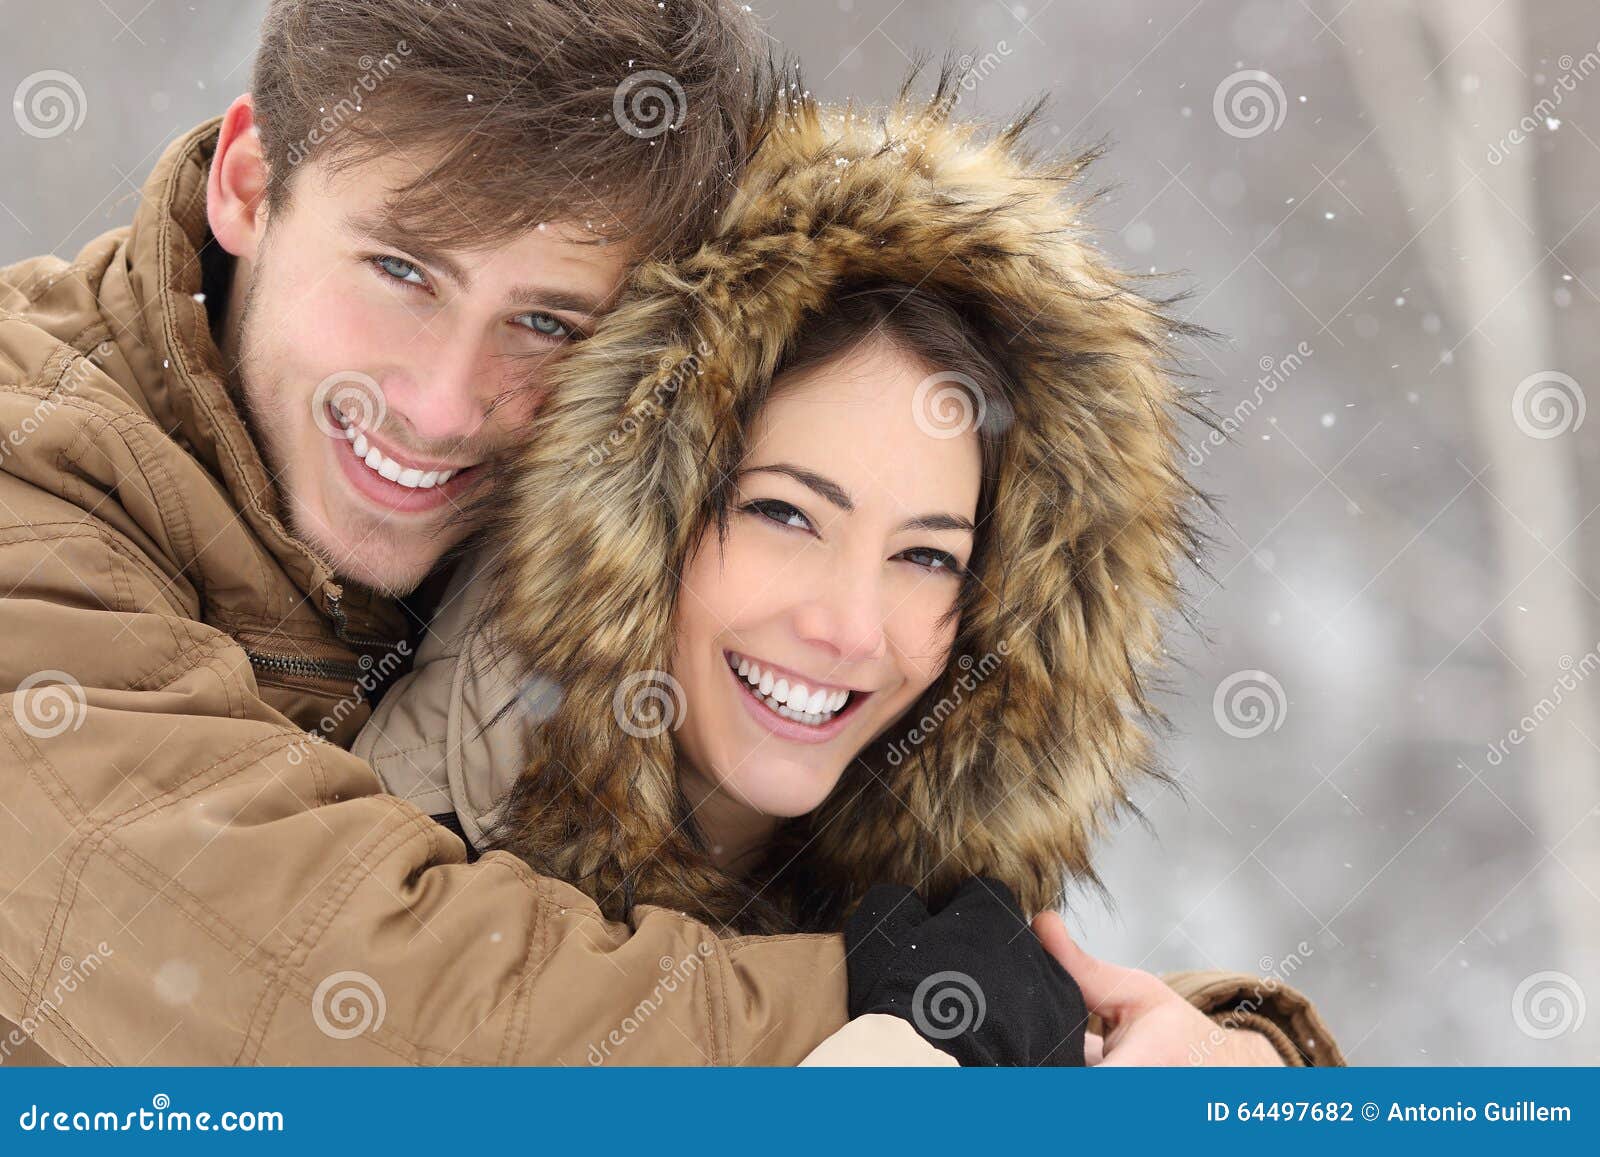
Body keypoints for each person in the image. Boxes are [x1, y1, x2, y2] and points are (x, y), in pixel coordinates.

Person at [356, 80, 1346, 1066]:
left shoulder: (951, 930)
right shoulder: (391, 840)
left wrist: (1247, 1077)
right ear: (635, 519)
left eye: (926, 556)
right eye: (786, 514)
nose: (850, 628)